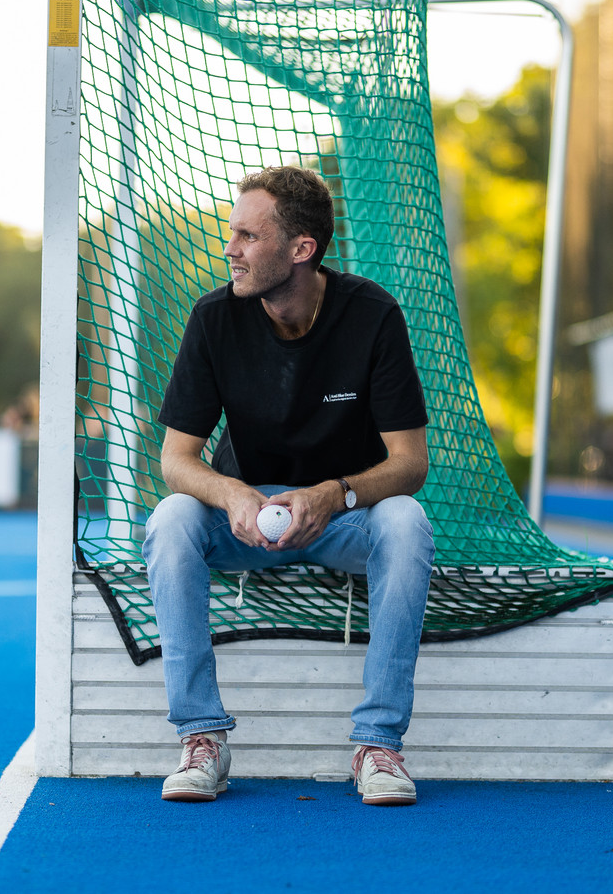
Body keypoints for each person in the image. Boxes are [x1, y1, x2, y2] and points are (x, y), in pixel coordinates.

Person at [143, 165, 434, 806]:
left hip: (342, 518)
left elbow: (410, 462)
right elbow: (177, 460)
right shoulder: (214, 318)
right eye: (231, 234)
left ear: (301, 249)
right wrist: (233, 495)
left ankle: (378, 744)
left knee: (408, 521)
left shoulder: (373, 315)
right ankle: (202, 738)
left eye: (247, 236)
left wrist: (334, 494)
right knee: (170, 519)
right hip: (247, 518)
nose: (230, 249)